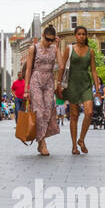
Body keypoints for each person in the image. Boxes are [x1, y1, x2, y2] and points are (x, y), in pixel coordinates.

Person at [57, 25, 99, 154]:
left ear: (86, 36)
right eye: (79, 34)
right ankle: (74, 146)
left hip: (85, 84)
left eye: (84, 34)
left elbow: (93, 70)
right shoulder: (69, 49)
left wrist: (97, 88)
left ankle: (81, 139)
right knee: (74, 115)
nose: (81, 36)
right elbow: (62, 67)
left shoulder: (90, 51)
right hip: (72, 84)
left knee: (89, 112)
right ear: (75, 35)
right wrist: (59, 84)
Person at [24, 26, 61, 156]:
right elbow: (28, 69)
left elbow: (61, 65)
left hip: (49, 80)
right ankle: (43, 142)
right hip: (36, 79)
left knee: (47, 112)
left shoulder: (54, 47)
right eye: (47, 39)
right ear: (43, 36)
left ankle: (40, 141)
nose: (49, 42)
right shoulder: (33, 48)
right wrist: (26, 89)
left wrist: (58, 46)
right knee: (39, 112)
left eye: (52, 40)